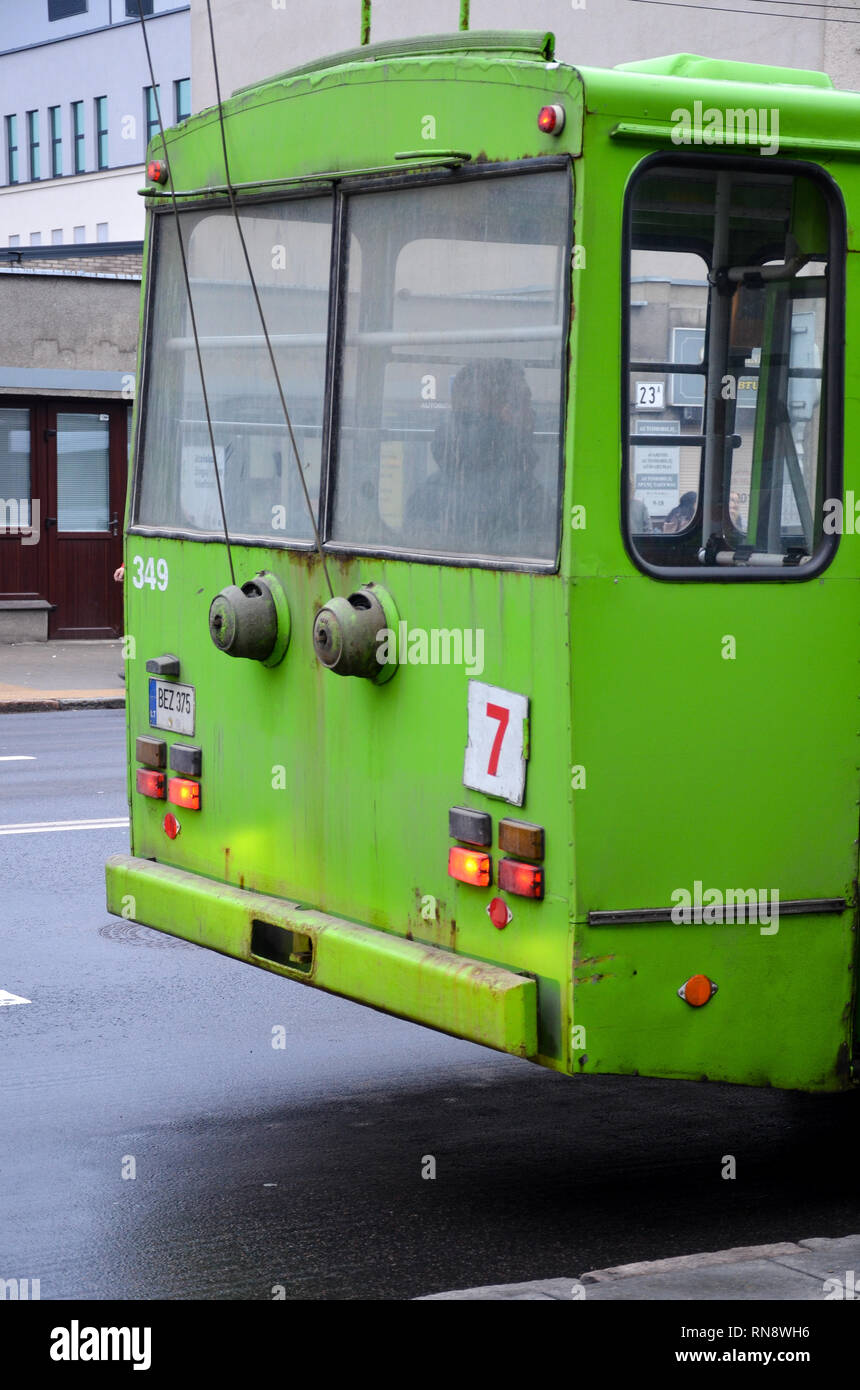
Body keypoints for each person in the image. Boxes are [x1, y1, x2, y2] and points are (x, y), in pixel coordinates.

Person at [404, 358, 554, 558]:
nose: (533, 415)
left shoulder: (425, 493)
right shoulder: (526, 497)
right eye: (527, 404)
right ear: (508, 413)